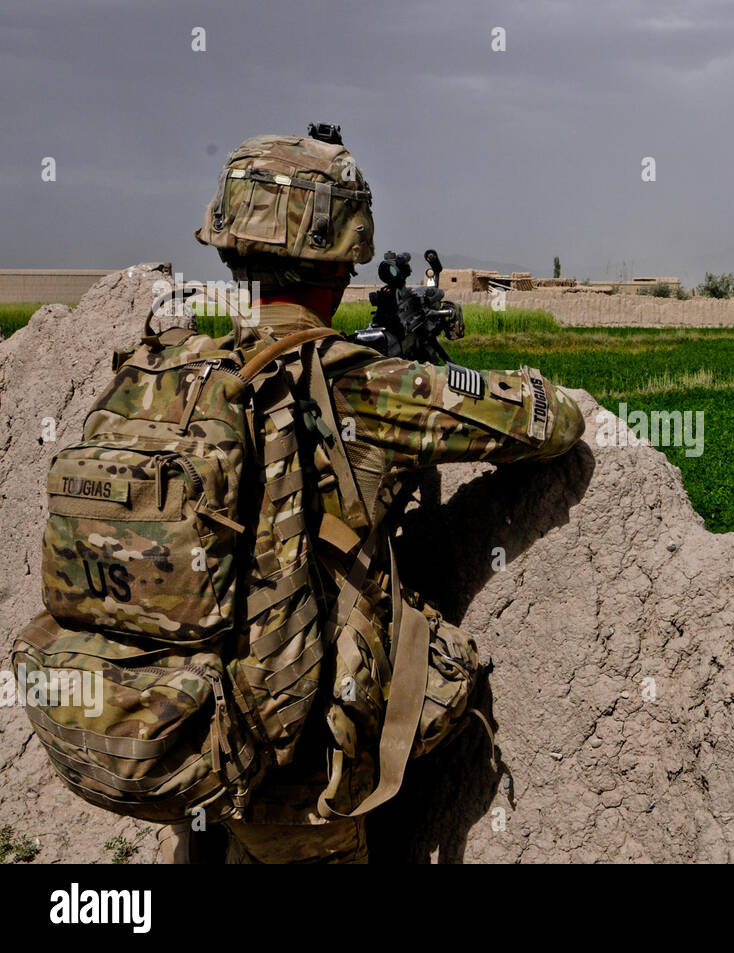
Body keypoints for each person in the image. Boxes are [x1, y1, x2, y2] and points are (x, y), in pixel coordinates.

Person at [171, 126, 584, 863]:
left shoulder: (184, 380)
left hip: (186, 741)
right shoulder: (360, 385)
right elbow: (543, 420)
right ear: (342, 250)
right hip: (293, 774)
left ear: (233, 248)